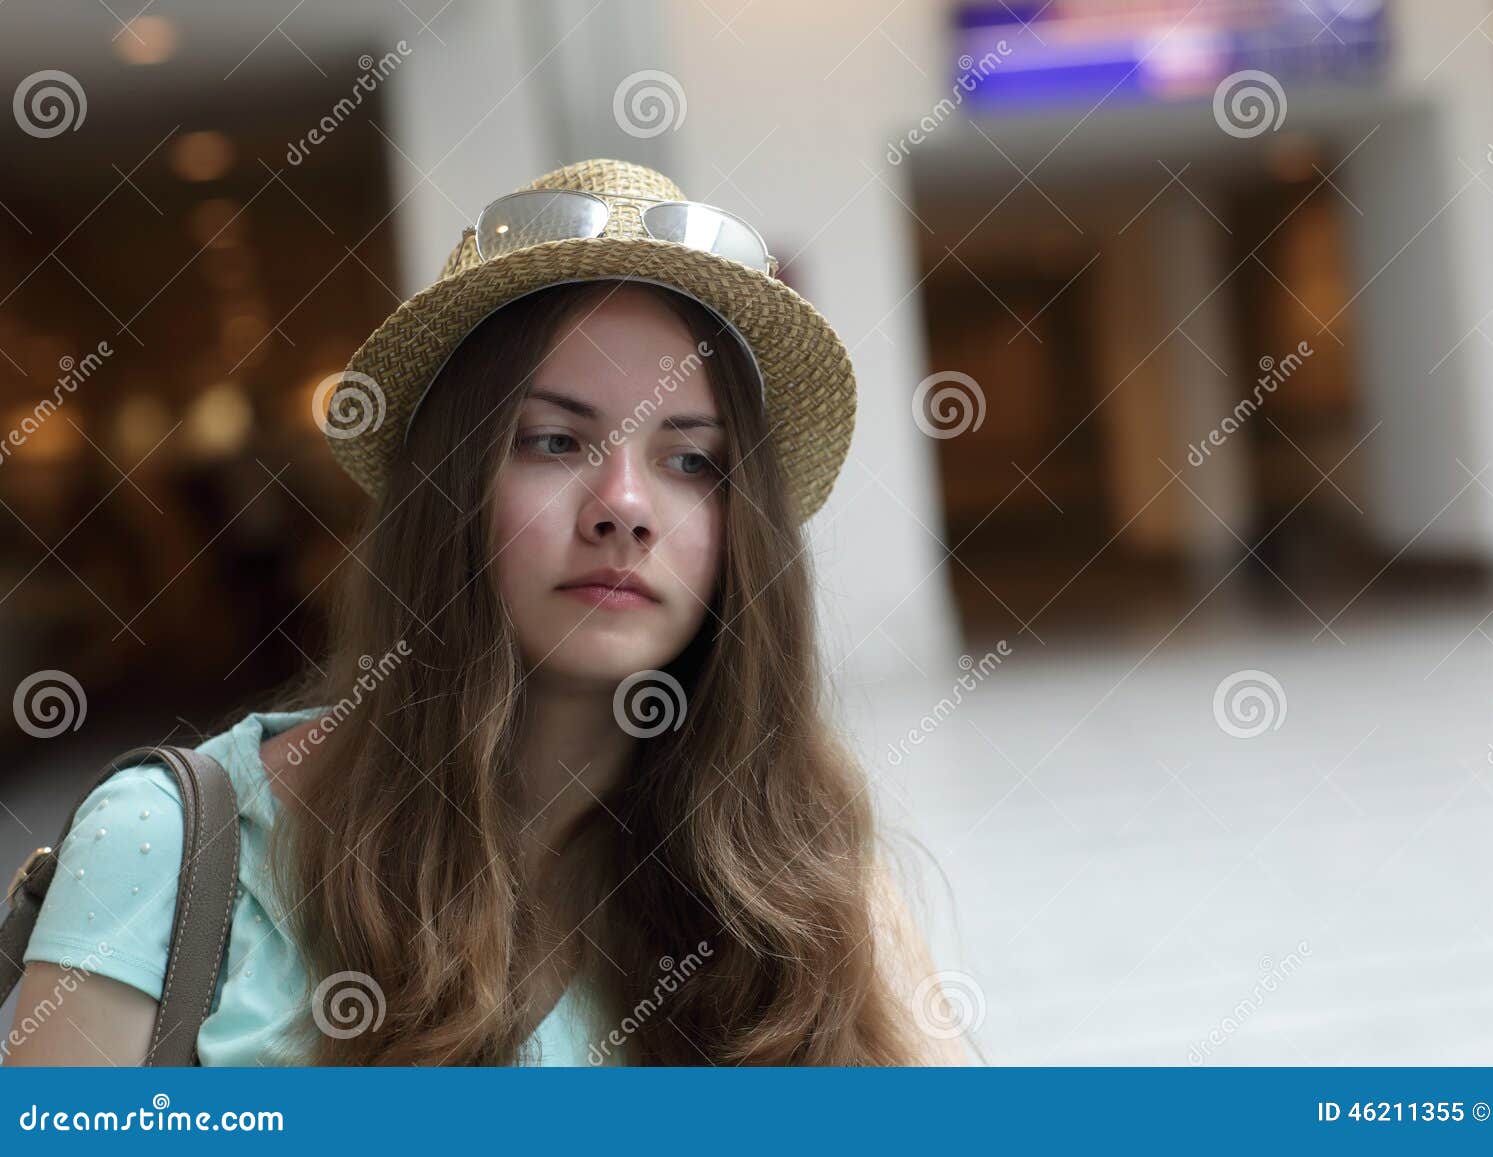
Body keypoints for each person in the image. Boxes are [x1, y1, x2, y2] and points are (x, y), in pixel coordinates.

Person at [5, 159, 967, 1066]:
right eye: (553, 440)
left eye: (691, 460)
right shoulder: (171, 847)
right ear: (449, 488)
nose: (624, 504)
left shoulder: (810, 882)